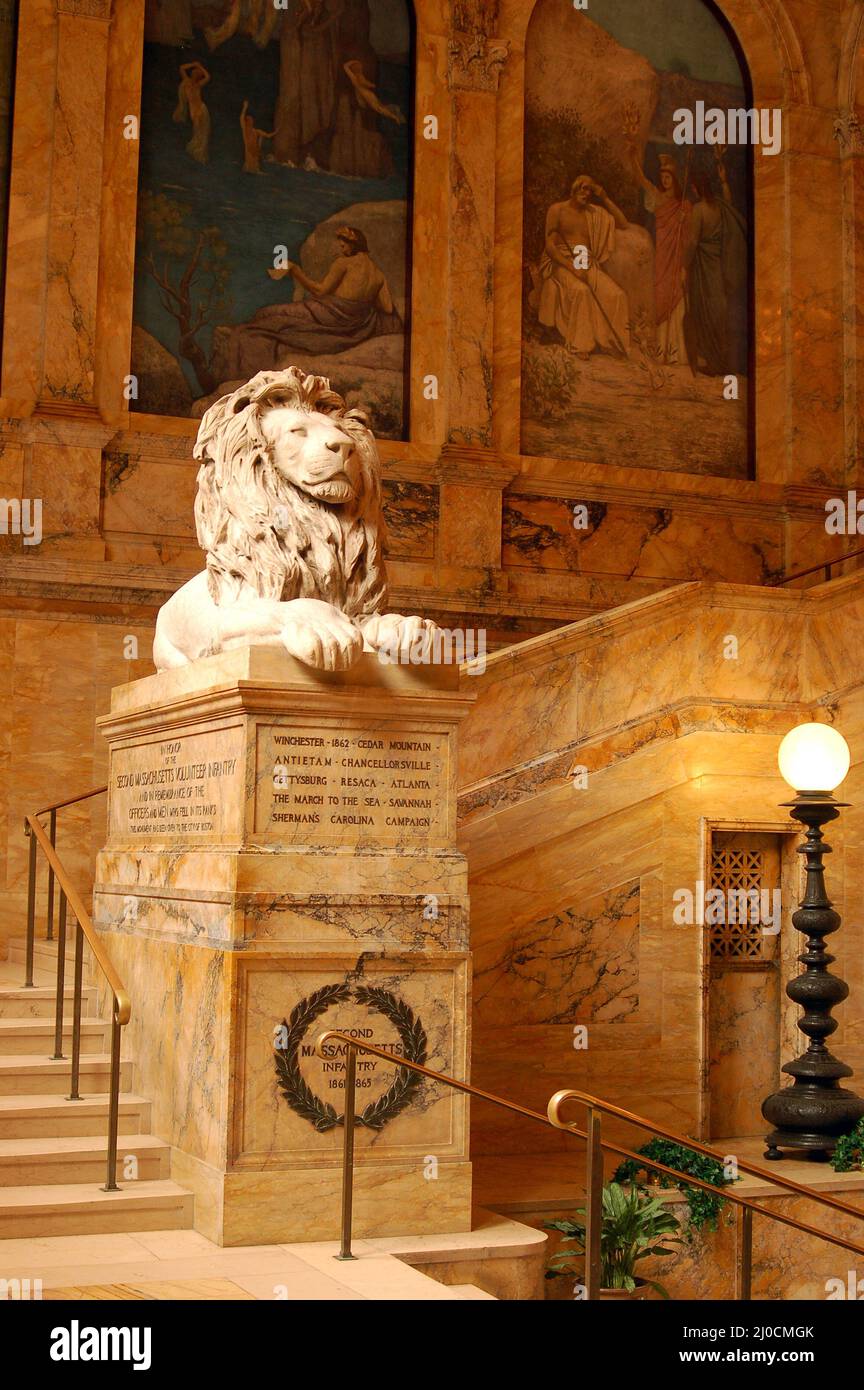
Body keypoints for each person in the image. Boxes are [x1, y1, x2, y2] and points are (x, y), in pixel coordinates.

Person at [211, 226, 402, 380]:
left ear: (354, 245)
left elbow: (320, 291)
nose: (341, 249)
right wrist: (363, 301)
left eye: (343, 245)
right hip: (354, 320)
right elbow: (386, 307)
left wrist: (295, 270)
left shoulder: (344, 263)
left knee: (270, 314)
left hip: (329, 313)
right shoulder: (379, 275)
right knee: (277, 315)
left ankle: (241, 360)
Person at [536, 176, 630, 360]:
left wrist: (604, 197)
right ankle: (581, 345)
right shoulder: (557, 210)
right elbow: (550, 246)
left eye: (589, 191)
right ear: (574, 188)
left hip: (586, 261)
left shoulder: (594, 213)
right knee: (582, 291)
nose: (586, 194)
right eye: (583, 188)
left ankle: (612, 342)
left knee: (617, 295)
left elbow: (623, 223)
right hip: (561, 262)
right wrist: (572, 267)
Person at [684, 152, 748, 377]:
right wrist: (724, 182)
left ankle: (715, 363)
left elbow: (692, 242)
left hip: (704, 269)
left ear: (696, 187)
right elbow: (730, 204)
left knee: (707, 312)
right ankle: (719, 361)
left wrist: (684, 264)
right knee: (719, 311)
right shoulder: (720, 206)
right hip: (719, 267)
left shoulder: (699, 210)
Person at [628, 147, 692, 366]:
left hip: (677, 259)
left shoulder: (684, 205)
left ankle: (675, 354)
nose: (665, 181)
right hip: (662, 258)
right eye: (663, 177)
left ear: (675, 180)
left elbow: (689, 239)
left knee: (678, 303)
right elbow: (642, 179)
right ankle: (660, 351)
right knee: (661, 297)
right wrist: (632, 155)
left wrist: (685, 219)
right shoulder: (657, 199)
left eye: (668, 177)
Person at [173, 62, 211, 164]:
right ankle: (196, 151)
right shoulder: (186, 81)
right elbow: (181, 67)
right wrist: (194, 64)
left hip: (202, 108)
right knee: (197, 131)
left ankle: (200, 153)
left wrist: (200, 67)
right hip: (194, 110)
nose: (194, 74)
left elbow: (208, 76)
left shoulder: (198, 84)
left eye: (196, 73)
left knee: (203, 131)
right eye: (194, 72)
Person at [240, 100, 276, 174]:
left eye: (251, 120)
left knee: (257, 170)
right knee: (250, 169)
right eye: (249, 121)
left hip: (255, 154)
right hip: (249, 157)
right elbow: (241, 118)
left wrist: (277, 131)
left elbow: (268, 135)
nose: (251, 122)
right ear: (246, 122)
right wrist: (244, 108)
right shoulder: (245, 131)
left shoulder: (256, 131)